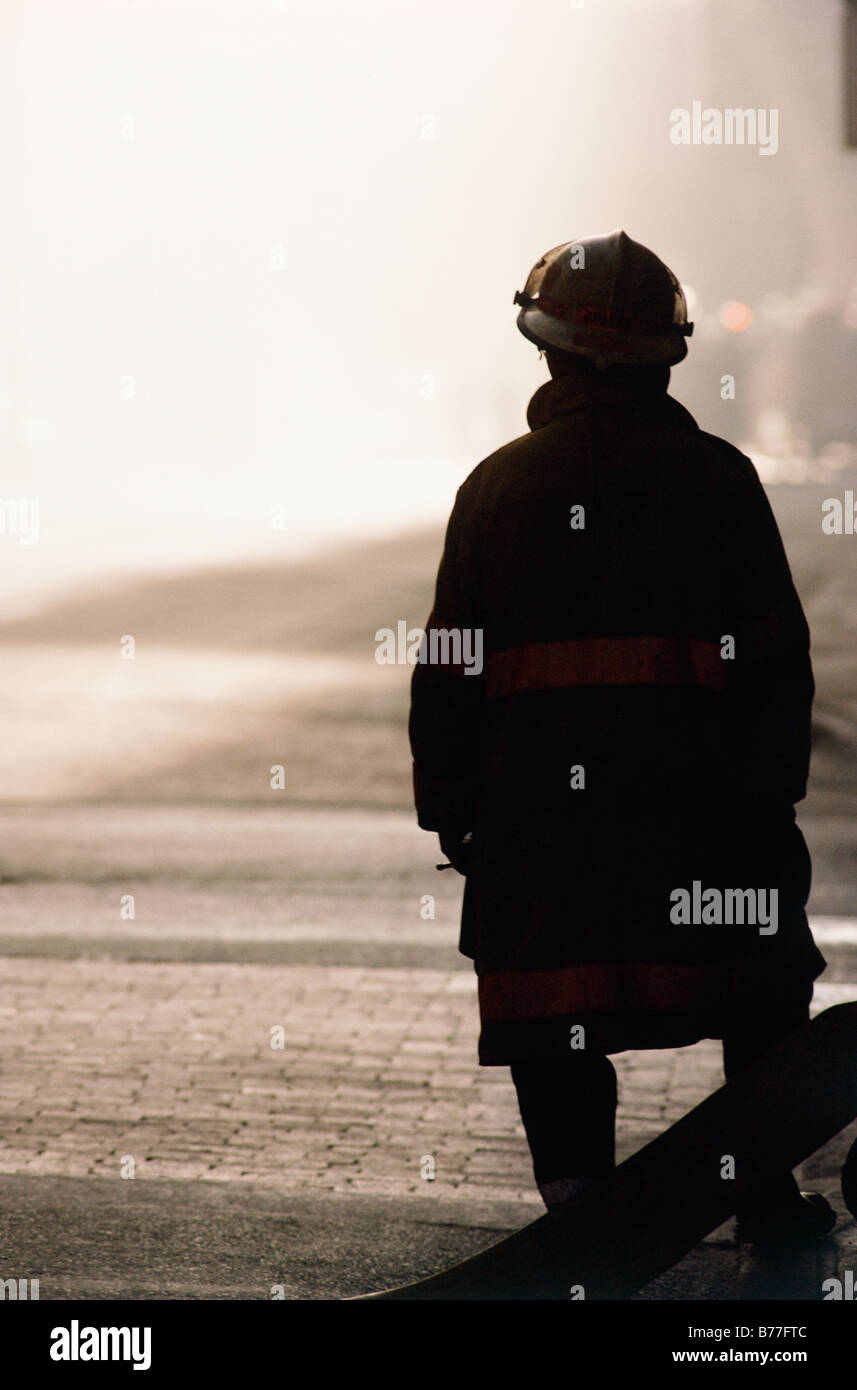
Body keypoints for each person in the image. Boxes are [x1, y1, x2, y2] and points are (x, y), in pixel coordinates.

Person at [408, 230, 832, 1245]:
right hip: (709, 815)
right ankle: (763, 1199)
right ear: (667, 351)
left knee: (553, 1004)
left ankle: (577, 1213)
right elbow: (778, 662)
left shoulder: (494, 490)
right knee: (755, 987)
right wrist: (769, 794)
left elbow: (449, 667)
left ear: (544, 348)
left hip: (538, 830)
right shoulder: (719, 480)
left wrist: (455, 808)